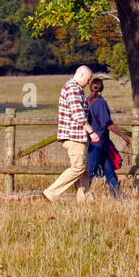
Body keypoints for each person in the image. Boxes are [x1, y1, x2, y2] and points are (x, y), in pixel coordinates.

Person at [42, 65, 99, 202]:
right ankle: (50, 193)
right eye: (88, 79)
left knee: (83, 169)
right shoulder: (72, 89)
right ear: (81, 75)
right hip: (74, 136)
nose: (88, 82)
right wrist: (91, 132)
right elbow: (78, 115)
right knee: (78, 167)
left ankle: (85, 200)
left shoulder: (77, 89)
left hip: (79, 136)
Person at [85, 77, 130, 199]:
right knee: (90, 170)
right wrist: (123, 136)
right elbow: (108, 124)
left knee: (109, 170)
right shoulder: (100, 103)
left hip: (100, 143)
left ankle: (117, 194)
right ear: (102, 88)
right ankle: (81, 195)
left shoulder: (88, 100)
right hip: (98, 143)